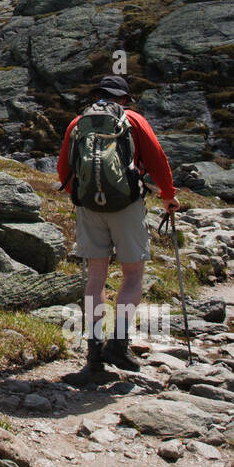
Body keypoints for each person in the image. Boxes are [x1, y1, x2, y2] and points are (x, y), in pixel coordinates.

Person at [57, 73, 180, 381]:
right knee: (133, 275)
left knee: (96, 277)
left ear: (98, 94)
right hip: (127, 207)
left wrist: (86, 198)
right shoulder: (133, 120)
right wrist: (168, 197)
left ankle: (94, 354)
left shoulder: (77, 123)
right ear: (124, 98)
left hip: (89, 208)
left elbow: (63, 170)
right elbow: (157, 159)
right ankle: (119, 343)